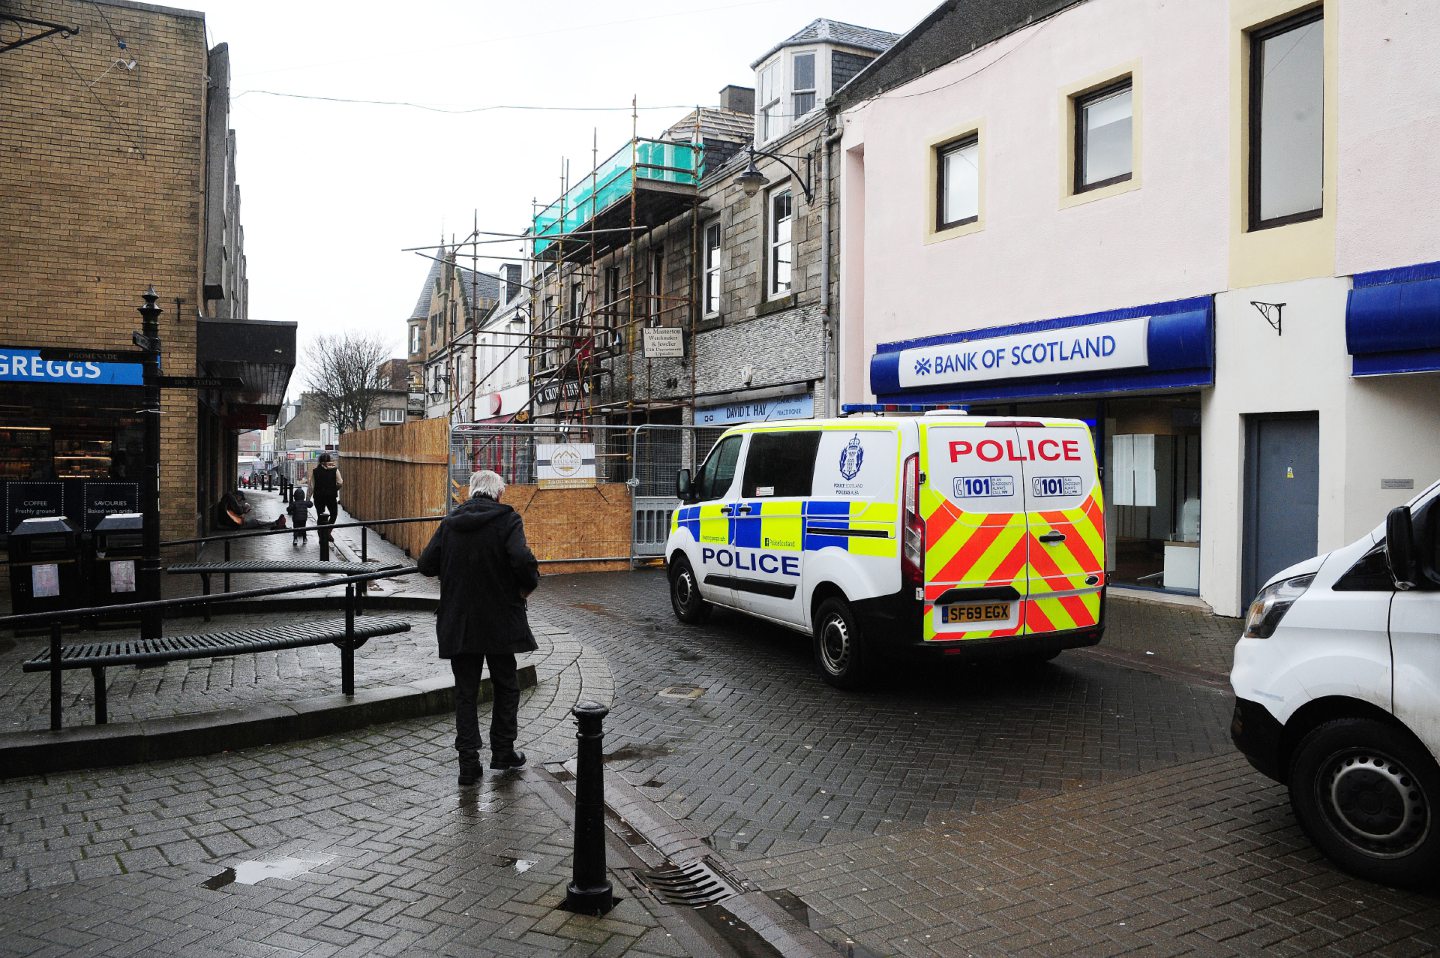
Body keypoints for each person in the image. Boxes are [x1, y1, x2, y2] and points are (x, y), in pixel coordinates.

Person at [418, 470, 539, 786]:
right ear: (499, 494)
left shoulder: (451, 523)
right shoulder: (508, 520)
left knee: (466, 693)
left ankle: (468, 765)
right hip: (500, 618)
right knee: (506, 685)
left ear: (470, 493)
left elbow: (425, 564)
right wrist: (526, 586)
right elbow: (522, 560)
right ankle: (503, 752)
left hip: (460, 620)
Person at [311, 452, 343, 546]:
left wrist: (307, 498)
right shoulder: (335, 470)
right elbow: (340, 482)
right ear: (329, 460)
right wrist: (334, 489)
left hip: (318, 497)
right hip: (331, 496)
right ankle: (328, 532)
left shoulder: (315, 471)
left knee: (320, 517)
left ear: (320, 461)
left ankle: (321, 536)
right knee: (334, 514)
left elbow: (311, 486)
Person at [216, 490, 285, 531]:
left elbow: (236, 512)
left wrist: (243, 513)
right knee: (256, 522)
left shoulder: (227, 500)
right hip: (234, 524)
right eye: (241, 499)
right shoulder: (231, 498)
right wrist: (245, 509)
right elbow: (239, 510)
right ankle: (275, 524)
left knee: (257, 523)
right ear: (238, 496)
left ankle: (274, 524)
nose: (240, 501)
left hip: (232, 522)